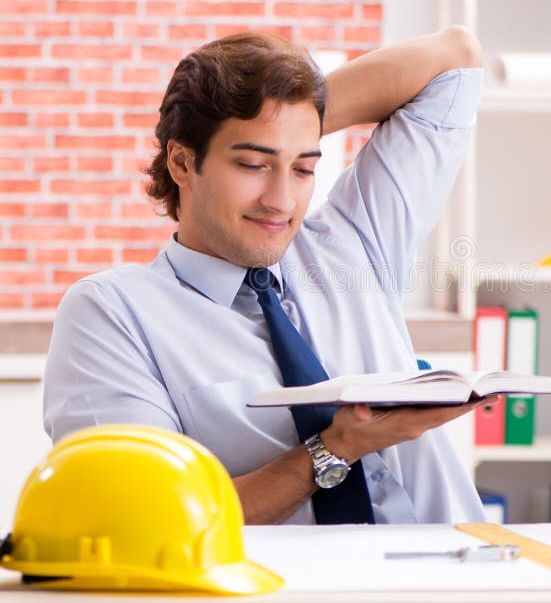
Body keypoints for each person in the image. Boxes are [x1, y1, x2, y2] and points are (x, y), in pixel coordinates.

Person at [43, 26, 489, 525]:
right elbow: (148, 519)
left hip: (461, 576)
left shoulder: (354, 244)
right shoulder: (111, 315)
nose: (281, 200)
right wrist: (336, 448)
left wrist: (289, 116)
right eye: (254, 164)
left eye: (303, 168)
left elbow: (455, 60)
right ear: (181, 160)